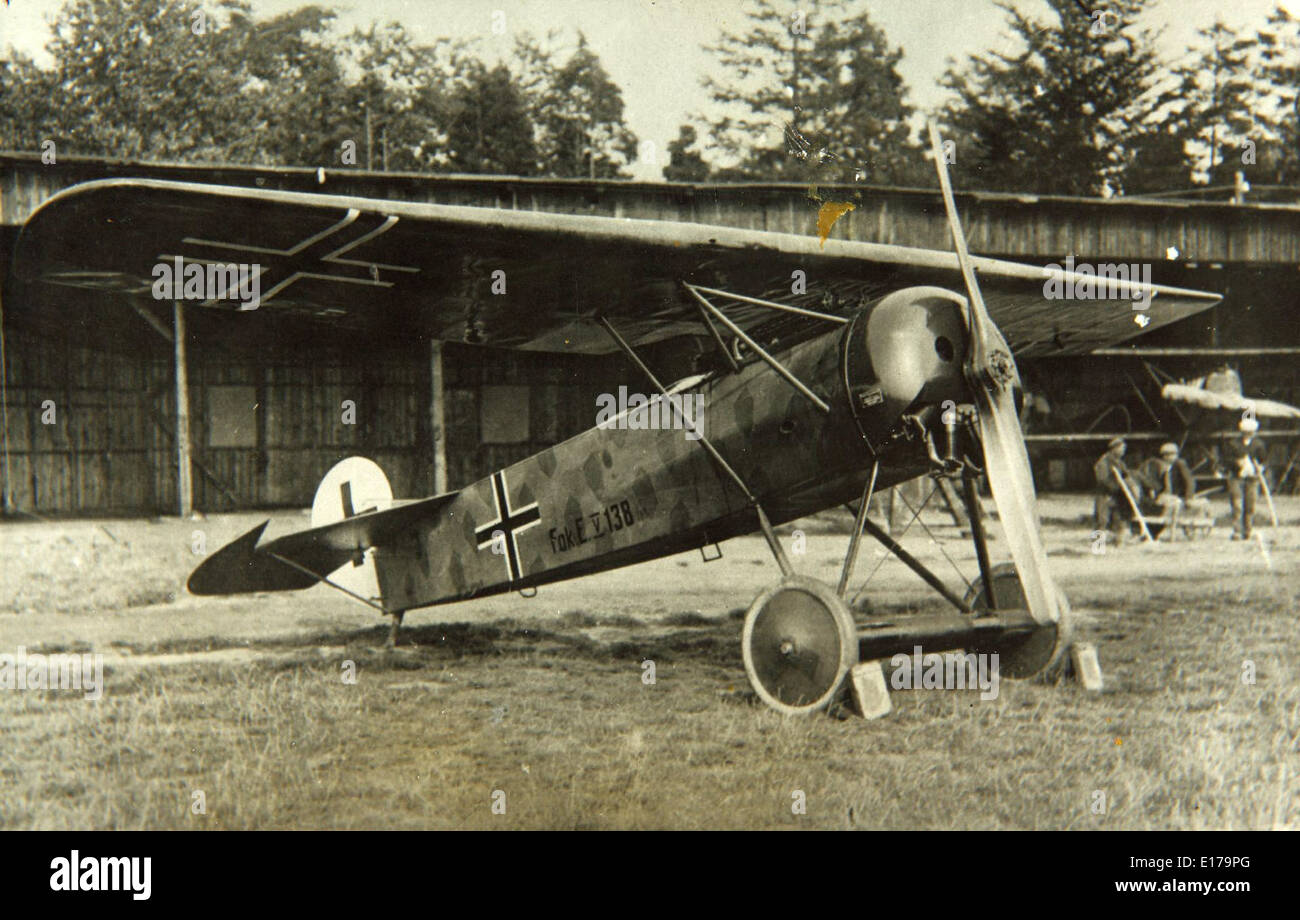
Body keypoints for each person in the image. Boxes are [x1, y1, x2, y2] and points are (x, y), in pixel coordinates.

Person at [1137, 442, 1208, 536]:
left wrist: (1188, 498)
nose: (1166, 457)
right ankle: (1149, 532)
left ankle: (1152, 532)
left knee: (1165, 508)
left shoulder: (1180, 464)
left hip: (1177, 496)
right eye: (1165, 455)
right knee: (1155, 505)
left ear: (1175, 454)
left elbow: (1190, 482)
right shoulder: (1165, 466)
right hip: (1168, 495)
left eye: (1170, 455)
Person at [1223, 418, 1266, 540]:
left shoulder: (1259, 444)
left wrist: (1260, 467)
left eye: (1251, 431)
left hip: (1252, 478)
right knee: (1237, 504)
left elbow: (1263, 460)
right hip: (1236, 477)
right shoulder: (1233, 444)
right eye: (1246, 431)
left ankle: (1248, 530)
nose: (1249, 433)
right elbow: (1226, 460)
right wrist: (1237, 462)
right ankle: (1237, 531)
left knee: (1250, 504)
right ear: (1242, 431)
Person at [1093, 437, 1138, 544]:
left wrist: (1130, 485)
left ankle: (1118, 542)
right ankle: (1097, 545)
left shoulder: (1120, 463)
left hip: (1118, 496)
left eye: (1124, 449)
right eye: (1121, 448)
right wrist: (1118, 487)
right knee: (1102, 520)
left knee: (1119, 519)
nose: (1123, 451)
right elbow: (1103, 479)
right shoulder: (1103, 462)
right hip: (1105, 495)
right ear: (1114, 448)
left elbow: (1126, 475)